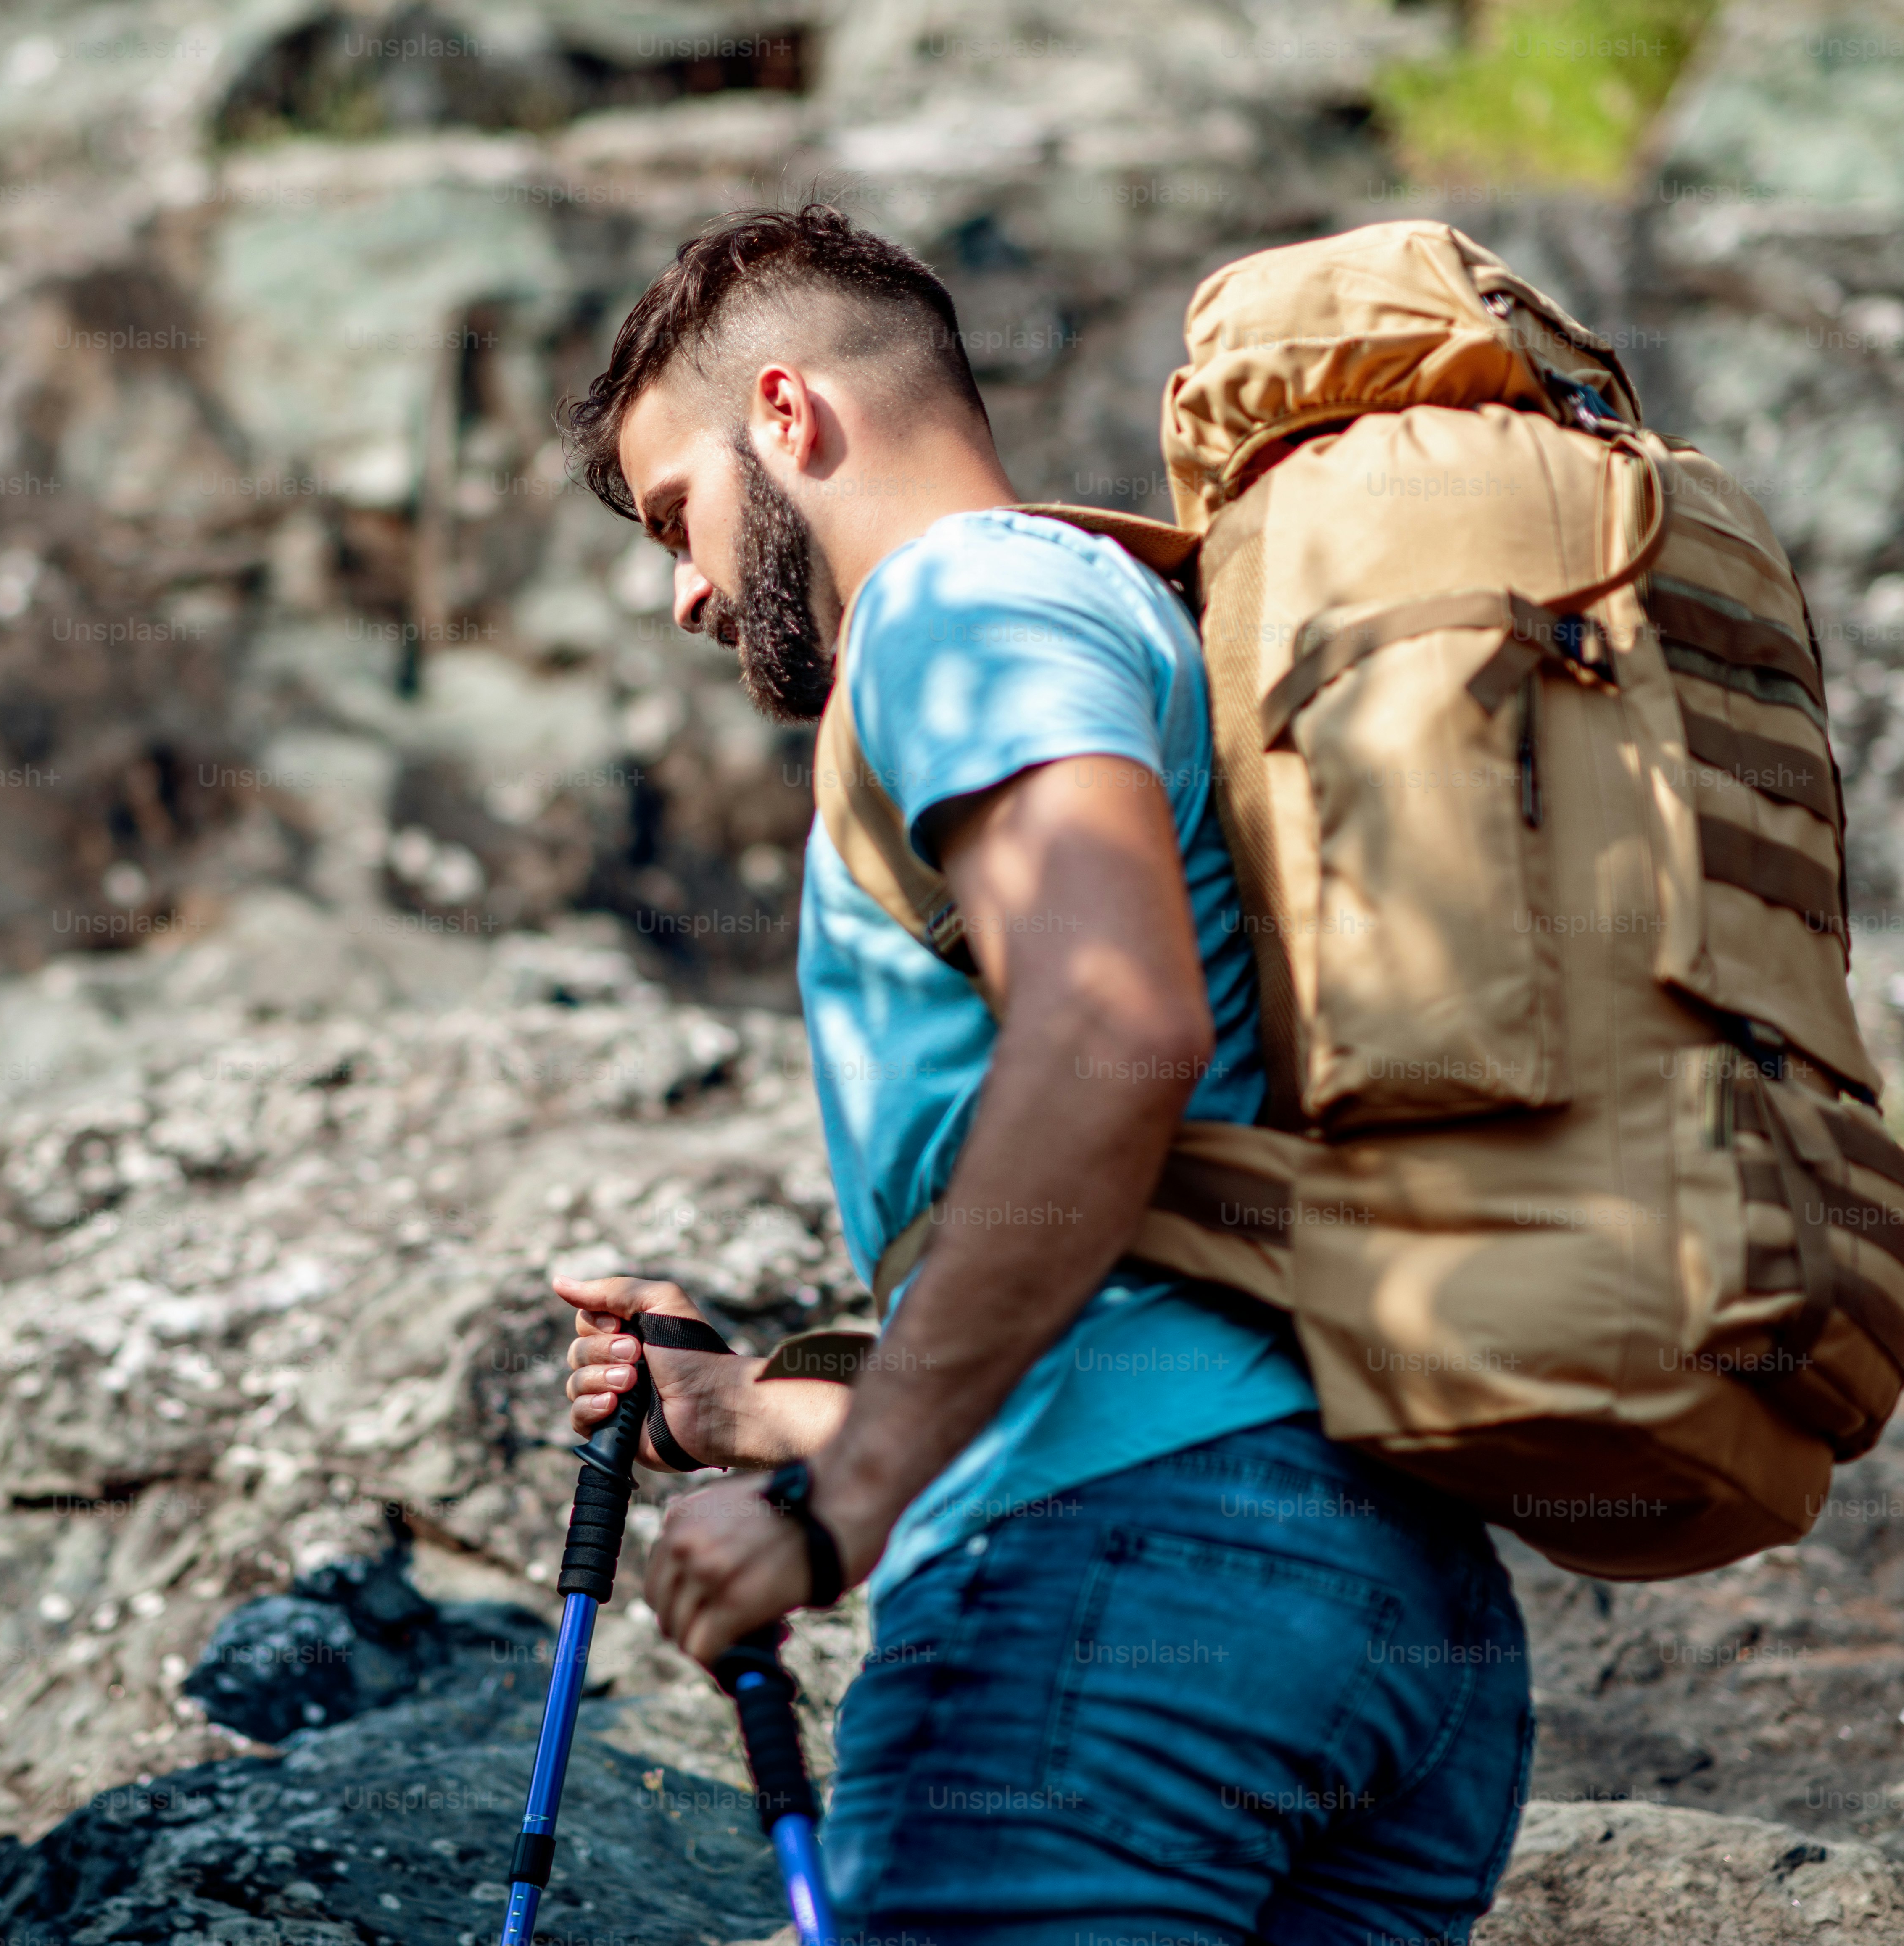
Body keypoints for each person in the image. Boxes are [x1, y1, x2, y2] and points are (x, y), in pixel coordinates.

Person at [552, 207, 1532, 1945]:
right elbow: (1179, 1246)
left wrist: (835, 1508)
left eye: (673, 516)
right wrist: (754, 1423)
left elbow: (1110, 1029)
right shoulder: (1147, 622)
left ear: (785, 416)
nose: (683, 591)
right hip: (1396, 1605)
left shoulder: (958, 601)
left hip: (1118, 1595)